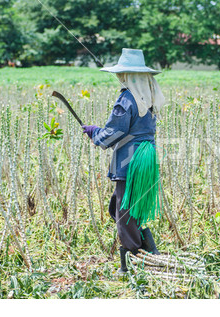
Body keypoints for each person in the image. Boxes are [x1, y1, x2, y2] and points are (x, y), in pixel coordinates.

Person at [82, 48, 165, 273]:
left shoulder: (127, 98)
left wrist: (94, 133)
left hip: (131, 159)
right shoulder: (148, 96)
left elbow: (114, 132)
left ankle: (133, 259)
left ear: (127, 75)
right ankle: (148, 248)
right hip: (146, 156)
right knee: (124, 207)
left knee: (124, 211)